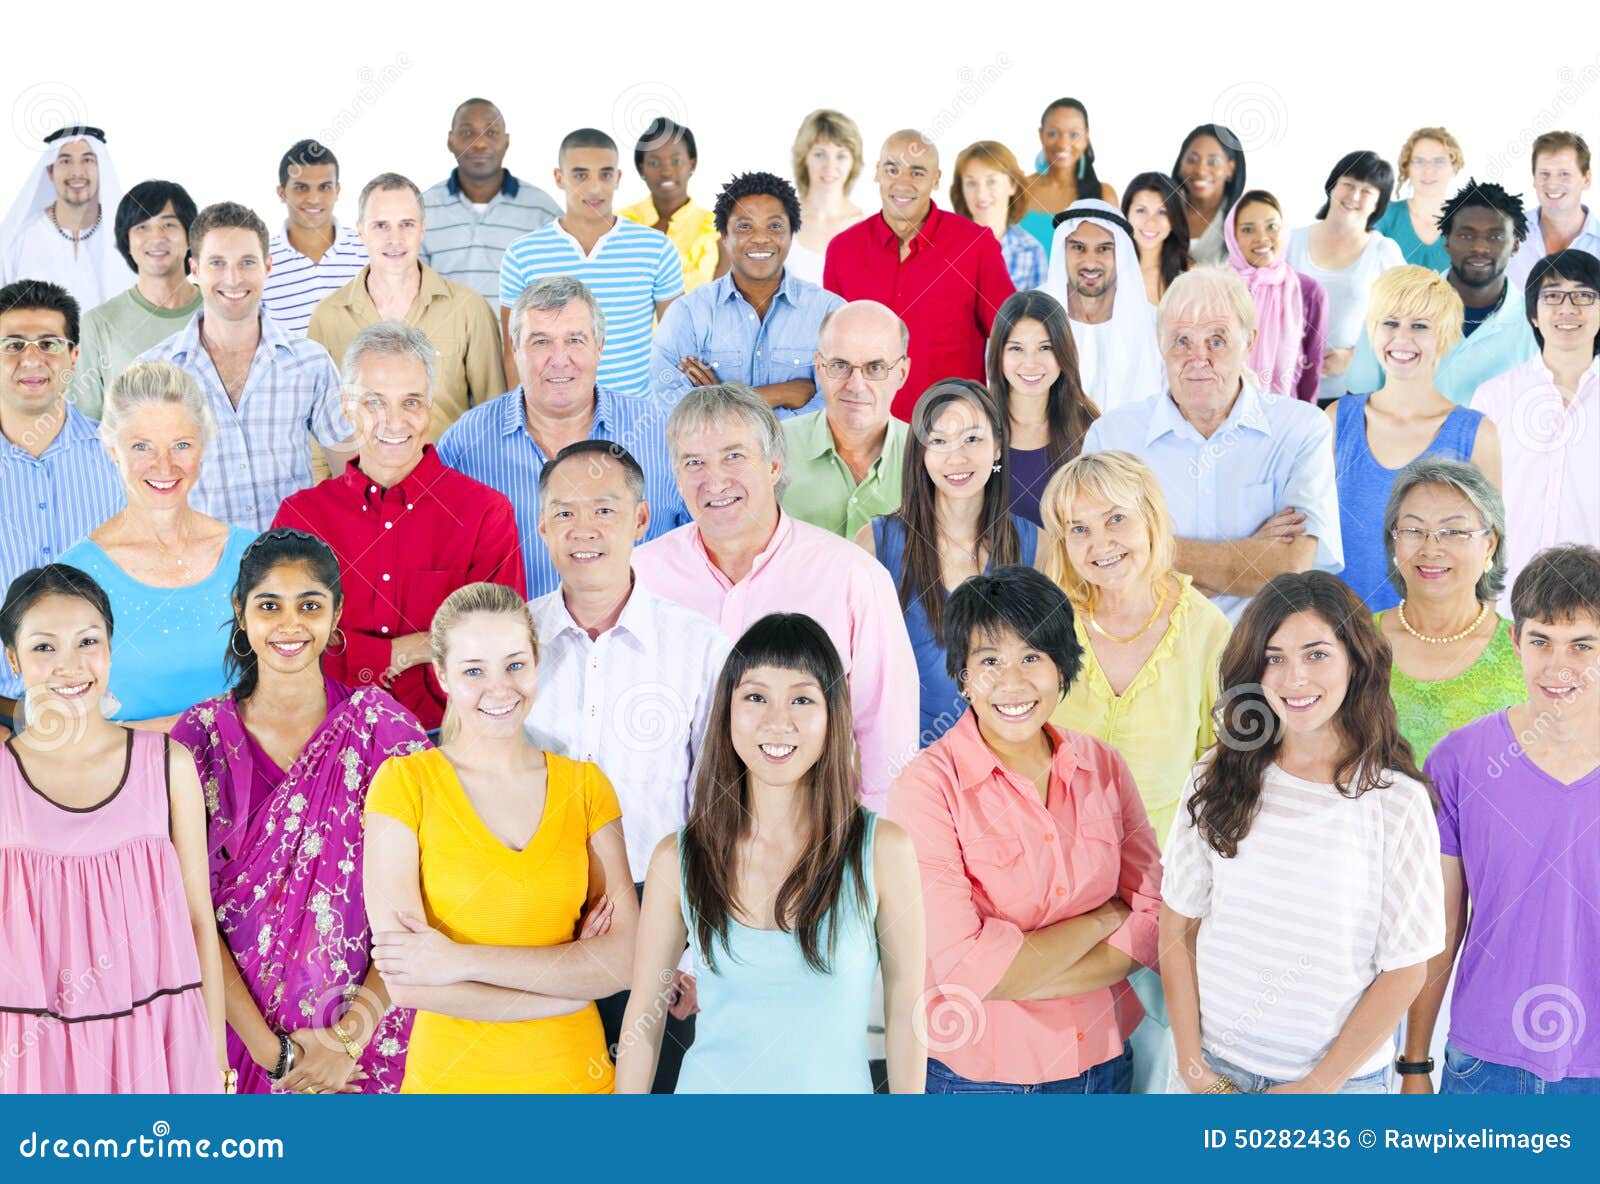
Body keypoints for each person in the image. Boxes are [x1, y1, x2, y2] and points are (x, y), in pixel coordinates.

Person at [617, 613, 926, 1093]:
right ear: (727, 711)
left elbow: (907, 1009)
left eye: (802, 699)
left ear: (832, 716)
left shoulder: (884, 850)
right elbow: (644, 1015)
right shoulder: (676, 857)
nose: (777, 721)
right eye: (755, 697)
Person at [1162, 570, 1444, 1094]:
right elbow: (1176, 927)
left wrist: (1315, 1088)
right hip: (1212, 1073)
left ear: (1355, 661)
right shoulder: (1215, 775)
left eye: (1316, 654)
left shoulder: (1397, 803)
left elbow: (1406, 969)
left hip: (1339, 1090)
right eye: (1275, 658)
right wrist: (1192, 1066)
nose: (1294, 679)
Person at [171, 529, 429, 1095]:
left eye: (309, 605)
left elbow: (423, 901)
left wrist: (347, 1042)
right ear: (241, 613)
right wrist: (277, 1054)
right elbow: (183, 908)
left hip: (367, 1047)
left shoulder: (382, 731)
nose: (290, 625)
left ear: (336, 615)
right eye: (269, 606)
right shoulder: (199, 740)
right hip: (235, 1042)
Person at [888, 564, 1161, 1093]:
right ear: (963, 677)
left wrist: (1012, 969)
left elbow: (1152, 923)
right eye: (989, 661)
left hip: (1102, 1069)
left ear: (1062, 668)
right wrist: (1101, 919)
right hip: (982, 1083)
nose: (1011, 682)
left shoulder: (1104, 766)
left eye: (1032, 657)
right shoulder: (926, 789)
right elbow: (966, 969)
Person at [363, 582, 636, 1093]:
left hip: (577, 1083)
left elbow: (622, 961)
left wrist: (458, 961)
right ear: (442, 675)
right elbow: (406, 979)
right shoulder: (403, 784)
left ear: (537, 662)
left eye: (515, 664)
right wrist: (569, 987)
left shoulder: (585, 787)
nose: (499, 689)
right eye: (474, 671)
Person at [525, 439, 730, 1092]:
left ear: (642, 520)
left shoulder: (695, 645)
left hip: (659, 923)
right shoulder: (513, 644)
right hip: (535, 925)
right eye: (564, 513)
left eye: (605, 510)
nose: (583, 530)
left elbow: (722, 808)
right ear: (541, 525)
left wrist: (696, 953)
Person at [632, 382, 917, 809]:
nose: (714, 480)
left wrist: (868, 848)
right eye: (694, 462)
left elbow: (886, 728)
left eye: (734, 456)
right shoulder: (638, 576)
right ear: (676, 478)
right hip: (674, 843)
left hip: (816, 843)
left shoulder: (852, 576)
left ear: (774, 467)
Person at [0, 563, 225, 1093]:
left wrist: (214, 1060)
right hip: (33, 1058)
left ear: (110, 645)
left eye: (87, 641)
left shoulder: (168, 765)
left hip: (160, 1046)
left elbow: (198, 923)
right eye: (43, 647)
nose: (70, 665)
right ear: (12, 658)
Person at [1405, 544, 1600, 1095]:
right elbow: (1439, 929)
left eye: (1582, 645)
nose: (1558, 667)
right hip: (1481, 1066)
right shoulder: (1459, 761)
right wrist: (1415, 1063)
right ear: (1516, 642)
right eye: (1541, 641)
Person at [273, 322, 525, 733]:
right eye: (374, 402)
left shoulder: (485, 514)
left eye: (411, 402)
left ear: (429, 406)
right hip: (328, 736)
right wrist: (413, 649)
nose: (394, 422)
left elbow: (497, 646)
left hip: (450, 740)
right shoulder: (300, 519)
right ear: (345, 407)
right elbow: (288, 644)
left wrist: (357, 653)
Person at [1083, 267, 1342, 623]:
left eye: (1216, 340)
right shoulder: (1111, 437)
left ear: (1249, 341)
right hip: (1148, 660)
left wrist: (1144, 551)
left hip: (1261, 660)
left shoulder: (1300, 429)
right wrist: (1251, 556)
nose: (1198, 358)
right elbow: (1100, 570)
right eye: (1181, 341)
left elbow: (1290, 567)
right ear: (1160, 343)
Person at [438, 276, 687, 598]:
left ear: (599, 347)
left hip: (641, 643)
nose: (559, 359)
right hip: (516, 644)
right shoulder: (465, 443)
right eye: (540, 342)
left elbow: (699, 550)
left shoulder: (661, 432)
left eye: (574, 340)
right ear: (514, 349)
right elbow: (436, 559)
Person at [1039, 450, 1230, 845]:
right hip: (1059, 873)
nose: (1100, 543)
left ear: (1150, 519)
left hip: (1165, 875)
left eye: (1116, 519)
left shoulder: (1206, 628)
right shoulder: (1045, 625)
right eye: (1079, 529)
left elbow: (1226, 768)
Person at [57, 362, 253, 728]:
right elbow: (65, 729)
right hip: (134, 781)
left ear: (202, 447)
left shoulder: (252, 556)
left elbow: (290, 691)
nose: (164, 466)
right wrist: (203, 730)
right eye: (141, 446)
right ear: (113, 449)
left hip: (255, 782)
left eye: (181, 445)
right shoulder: (72, 578)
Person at [142, 202, 355, 531]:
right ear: (194, 269)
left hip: (294, 569)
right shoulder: (154, 372)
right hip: (199, 572)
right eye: (217, 263)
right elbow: (140, 489)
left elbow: (350, 480)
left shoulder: (310, 362)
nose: (233, 278)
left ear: (267, 267)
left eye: (247, 262)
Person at [857, 379, 1037, 745]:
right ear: (920, 452)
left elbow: (1050, 664)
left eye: (972, 439)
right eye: (938, 441)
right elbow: (852, 670)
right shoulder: (875, 543)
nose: (957, 458)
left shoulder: (1038, 544)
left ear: (998, 447)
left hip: (1005, 758)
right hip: (905, 762)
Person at [1333, 267, 1500, 611]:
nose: (1402, 339)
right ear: (1373, 331)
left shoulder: (1477, 435)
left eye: (1420, 326)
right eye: (1390, 323)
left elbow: (1489, 557)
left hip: (1434, 640)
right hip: (1340, 634)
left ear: (1445, 337)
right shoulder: (1336, 420)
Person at [0, 279, 124, 732]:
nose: (31, 359)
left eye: (49, 344)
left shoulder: (120, 456)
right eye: (13, 344)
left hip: (113, 714)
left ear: (73, 357)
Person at [823, 130, 1014, 420]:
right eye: (892, 169)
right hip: (865, 433)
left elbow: (1012, 340)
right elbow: (831, 352)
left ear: (936, 179)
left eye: (917, 172)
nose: (902, 183)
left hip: (951, 433)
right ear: (877, 173)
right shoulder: (842, 250)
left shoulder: (976, 246)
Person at [308, 173, 506, 449]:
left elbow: (494, 417)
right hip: (360, 489)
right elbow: (319, 428)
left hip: (449, 484)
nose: (395, 239)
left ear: (422, 229)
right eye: (381, 226)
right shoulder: (327, 317)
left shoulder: (469, 309)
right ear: (360, 231)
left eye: (406, 224)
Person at [497, 128, 682, 395]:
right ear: (559, 178)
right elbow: (512, 351)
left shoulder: (657, 248)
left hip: (633, 416)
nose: (595, 187)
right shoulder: (522, 254)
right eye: (581, 175)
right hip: (553, 414)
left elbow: (676, 345)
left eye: (605, 174)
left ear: (617, 178)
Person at [650, 171, 843, 418]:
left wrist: (718, 400)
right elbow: (670, 407)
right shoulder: (688, 314)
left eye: (775, 226)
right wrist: (781, 393)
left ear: (791, 234)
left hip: (801, 457)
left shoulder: (830, 312)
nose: (761, 238)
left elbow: (838, 405)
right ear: (724, 236)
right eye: (744, 226)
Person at [1470, 249, 1600, 608]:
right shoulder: (1493, 396)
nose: (1567, 308)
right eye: (1553, 295)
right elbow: (1473, 503)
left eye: (1584, 295)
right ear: (1533, 313)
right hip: (1506, 600)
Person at [1378, 458, 1525, 763]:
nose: (1431, 549)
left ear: (1490, 545)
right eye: (1414, 530)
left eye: (1454, 532)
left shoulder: (1526, 651)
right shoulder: (1355, 641)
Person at [1346, 181, 1538, 404]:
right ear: (1446, 242)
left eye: (1495, 237)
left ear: (1515, 245)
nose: (1479, 248)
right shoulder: (1393, 305)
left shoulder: (1537, 324)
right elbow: (1357, 402)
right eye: (1466, 235)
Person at [73, 180, 203, 419]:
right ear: (128, 242)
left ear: (190, 237)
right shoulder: (97, 324)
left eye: (168, 224)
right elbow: (84, 424)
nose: (156, 237)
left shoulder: (222, 311)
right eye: (141, 227)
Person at [780, 301, 910, 538]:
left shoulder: (931, 458)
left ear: (902, 373)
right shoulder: (770, 447)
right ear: (819, 367)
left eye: (875, 368)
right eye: (840, 365)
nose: (856, 386)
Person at [1288, 151, 1406, 401]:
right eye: (1348, 184)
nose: (1353, 196)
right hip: (1287, 388)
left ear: (1378, 204)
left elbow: (1407, 323)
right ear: (1333, 186)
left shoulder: (1383, 251)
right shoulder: (1290, 241)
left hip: (1351, 394)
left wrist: (1355, 356)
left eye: (1366, 192)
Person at [421, 98, 562, 301]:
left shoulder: (543, 212)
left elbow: (559, 293)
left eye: (491, 133)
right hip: (442, 333)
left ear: (506, 141)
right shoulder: (423, 209)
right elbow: (411, 292)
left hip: (516, 334)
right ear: (450, 141)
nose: (479, 143)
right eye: (467, 133)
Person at [985, 289, 1098, 525]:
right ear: (999, 355)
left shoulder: (1090, 427)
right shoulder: (975, 426)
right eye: (1016, 348)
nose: (1030, 363)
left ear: (1063, 351)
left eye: (1045, 348)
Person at [1044, 199, 1165, 414]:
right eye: (1078, 248)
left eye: (1103, 249)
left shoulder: (1155, 325)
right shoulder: (1033, 316)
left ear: (1121, 255)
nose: (1090, 262)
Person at [0, 126, 130, 309]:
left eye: (87, 160)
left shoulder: (130, 238)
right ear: (50, 172)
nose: (77, 172)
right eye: (65, 161)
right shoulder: (18, 238)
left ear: (102, 169)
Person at [1223, 190, 1328, 402]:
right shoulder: (1216, 289)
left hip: (1286, 418)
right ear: (1233, 237)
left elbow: (1312, 371)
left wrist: (1303, 424)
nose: (1262, 238)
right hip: (1221, 415)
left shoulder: (1309, 291)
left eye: (1271, 226)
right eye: (1248, 229)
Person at [261, 140, 368, 336]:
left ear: (337, 191)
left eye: (324, 187)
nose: (313, 199)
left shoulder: (367, 251)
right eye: (301, 188)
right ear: (282, 193)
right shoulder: (260, 262)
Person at [619, 118, 721, 292]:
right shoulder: (618, 224)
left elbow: (721, 306)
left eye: (676, 161)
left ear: (692, 164)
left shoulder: (717, 229)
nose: (666, 171)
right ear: (641, 168)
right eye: (654, 163)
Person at [1018, 98, 1119, 254]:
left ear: (1086, 137)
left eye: (1074, 134)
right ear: (1041, 135)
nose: (1063, 143)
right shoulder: (1020, 189)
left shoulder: (1105, 195)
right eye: (1053, 133)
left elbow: (1113, 260)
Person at [1507, 132, 1599, 290]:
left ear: (1586, 179)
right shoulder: (1506, 233)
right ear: (1534, 179)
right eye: (1545, 174)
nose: (1553, 184)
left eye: (1564, 174)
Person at [950, 141, 1046, 292]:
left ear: (1012, 185)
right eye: (971, 183)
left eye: (991, 181)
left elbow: (1042, 314)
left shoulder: (1032, 251)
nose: (981, 194)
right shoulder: (943, 246)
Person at [788, 109, 866, 286]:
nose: (830, 166)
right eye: (819, 154)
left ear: (854, 162)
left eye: (841, 155)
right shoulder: (779, 222)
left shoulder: (874, 225)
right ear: (804, 158)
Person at [1375, 128, 1461, 273]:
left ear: (1454, 168)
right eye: (1419, 161)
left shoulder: (1467, 221)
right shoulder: (1383, 214)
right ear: (1407, 168)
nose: (1428, 170)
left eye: (1439, 162)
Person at [1171, 125, 1247, 266]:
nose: (1200, 171)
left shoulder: (1243, 218)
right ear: (1180, 164)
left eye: (1213, 162)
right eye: (1192, 160)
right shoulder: (1163, 210)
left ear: (1230, 168)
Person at [1121, 173, 1190, 305]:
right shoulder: (1108, 268)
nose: (1151, 223)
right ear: (1126, 213)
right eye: (1141, 210)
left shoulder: (1190, 274)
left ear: (1174, 219)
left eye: (1162, 212)